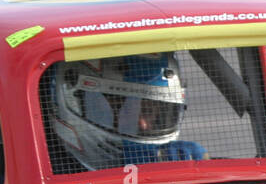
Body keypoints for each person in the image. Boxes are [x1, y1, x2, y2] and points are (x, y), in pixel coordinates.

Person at [48, 51, 208, 170]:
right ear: (73, 99)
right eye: (120, 107)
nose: (143, 124)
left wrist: (198, 174)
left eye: (150, 111)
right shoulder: (37, 173)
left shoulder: (170, 161)